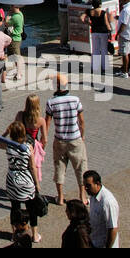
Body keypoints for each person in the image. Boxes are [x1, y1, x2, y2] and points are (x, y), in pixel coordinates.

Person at [44, 73, 87, 205]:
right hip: (75, 138)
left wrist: (44, 139)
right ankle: (82, 195)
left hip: (60, 140)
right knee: (80, 167)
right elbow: (81, 121)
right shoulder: (75, 100)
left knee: (59, 168)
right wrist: (82, 136)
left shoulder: (51, 102)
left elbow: (47, 123)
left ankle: (60, 197)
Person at [1, 121, 41, 244]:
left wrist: (5, 133)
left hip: (12, 180)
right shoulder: (28, 147)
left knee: (15, 207)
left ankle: (14, 233)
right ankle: (35, 234)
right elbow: (33, 167)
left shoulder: (8, 146)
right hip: (26, 180)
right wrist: (37, 184)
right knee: (31, 208)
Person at [84, 171, 119, 247]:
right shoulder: (93, 195)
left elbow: (113, 229)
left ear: (97, 184)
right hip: (94, 242)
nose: (86, 188)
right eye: (85, 185)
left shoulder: (108, 202)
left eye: (88, 185)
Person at [20, 94, 47, 186]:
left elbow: (15, 129)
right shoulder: (41, 120)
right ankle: (34, 185)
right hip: (34, 146)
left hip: (22, 144)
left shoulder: (20, 115)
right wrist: (41, 149)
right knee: (34, 167)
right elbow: (45, 139)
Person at [87, 0, 112, 84]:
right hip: (103, 32)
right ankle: (105, 67)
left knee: (95, 49)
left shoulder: (90, 12)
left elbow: (82, 18)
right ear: (100, 4)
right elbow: (106, 23)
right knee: (104, 49)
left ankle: (95, 66)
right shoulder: (103, 12)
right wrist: (110, 30)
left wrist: (90, 24)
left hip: (94, 32)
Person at [5, 6, 25, 82]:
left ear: (14, 6)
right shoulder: (20, 14)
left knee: (17, 57)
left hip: (14, 38)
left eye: (11, 6)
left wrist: (7, 16)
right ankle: (18, 72)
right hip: (18, 37)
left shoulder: (15, 17)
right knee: (15, 56)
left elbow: (6, 24)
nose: (10, 7)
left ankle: (18, 74)